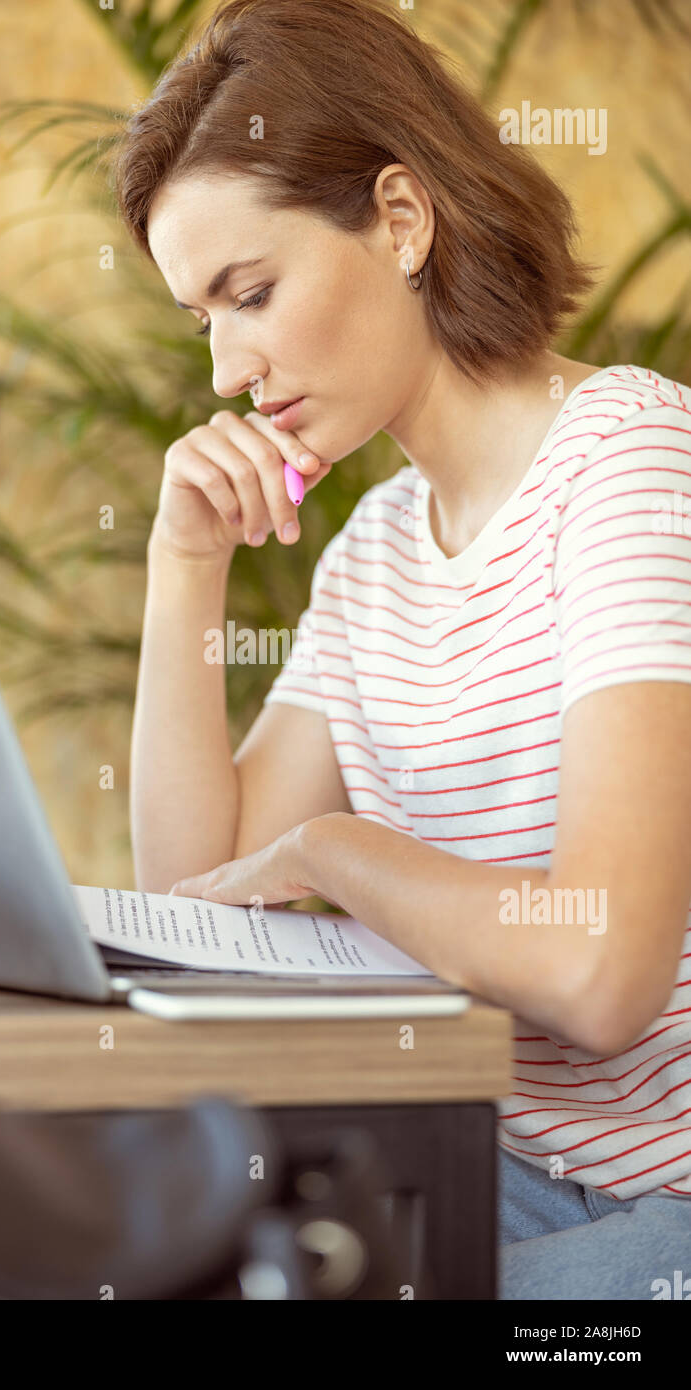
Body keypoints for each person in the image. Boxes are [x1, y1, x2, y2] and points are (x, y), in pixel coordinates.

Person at [112, 0, 691, 1299]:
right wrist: (184, 565)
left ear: (401, 218)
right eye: (200, 316)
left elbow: (599, 973)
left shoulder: (633, 469)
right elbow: (192, 895)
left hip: (663, 1198)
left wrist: (332, 849)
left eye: (248, 293)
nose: (225, 369)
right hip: (488, 1156)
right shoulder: (375, 549)